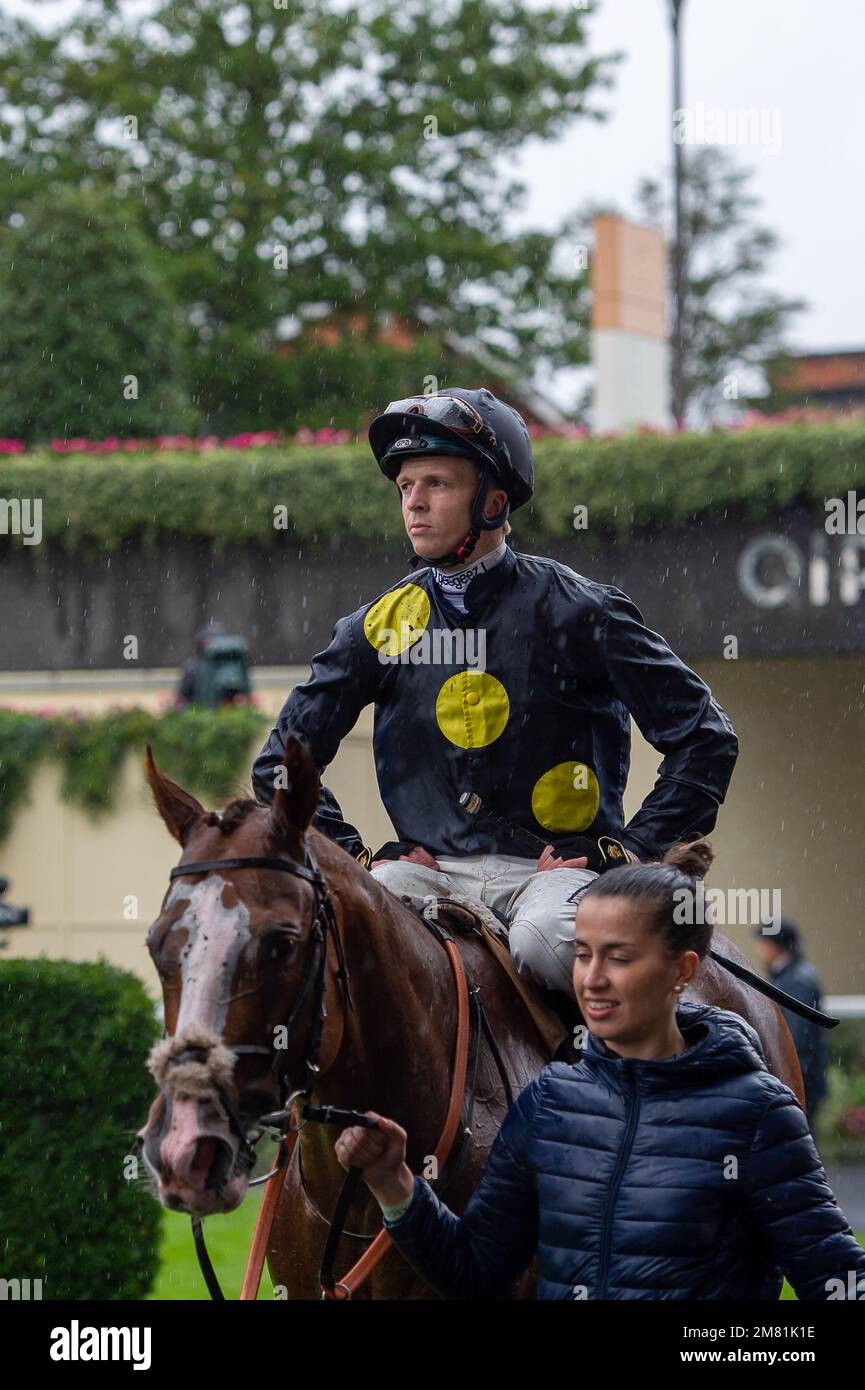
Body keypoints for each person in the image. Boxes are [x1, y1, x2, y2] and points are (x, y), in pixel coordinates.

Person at [252, 387, 739, 997]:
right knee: (340, 940)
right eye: (405, 486)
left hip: (554, 882)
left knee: (544, 942)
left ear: (494, 502)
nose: (415, 503)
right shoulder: (373, 628)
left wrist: (627, 852)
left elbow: (706, 738)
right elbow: (278, 766)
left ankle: (647, 1070)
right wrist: (358, 856)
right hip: (422, 876)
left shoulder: (582, 611)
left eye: (437, 483)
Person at [334, 841, 865, 1301]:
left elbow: (837, 1282)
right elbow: (474, 1272)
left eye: (618, 958)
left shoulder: (758, 1115)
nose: (591, 979)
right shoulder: (550, 1104)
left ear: (682, 971)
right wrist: (393, 1181)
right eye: (584, 954)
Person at [754, 918, 827, 1126]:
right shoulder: (794, 975)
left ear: (773, 945)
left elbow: (796, 1036)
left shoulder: (796, 980)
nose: (760, 949)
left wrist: (781, 1072)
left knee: (800, 1140)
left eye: (763, 943)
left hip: (799, 1078)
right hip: (801, 1076)